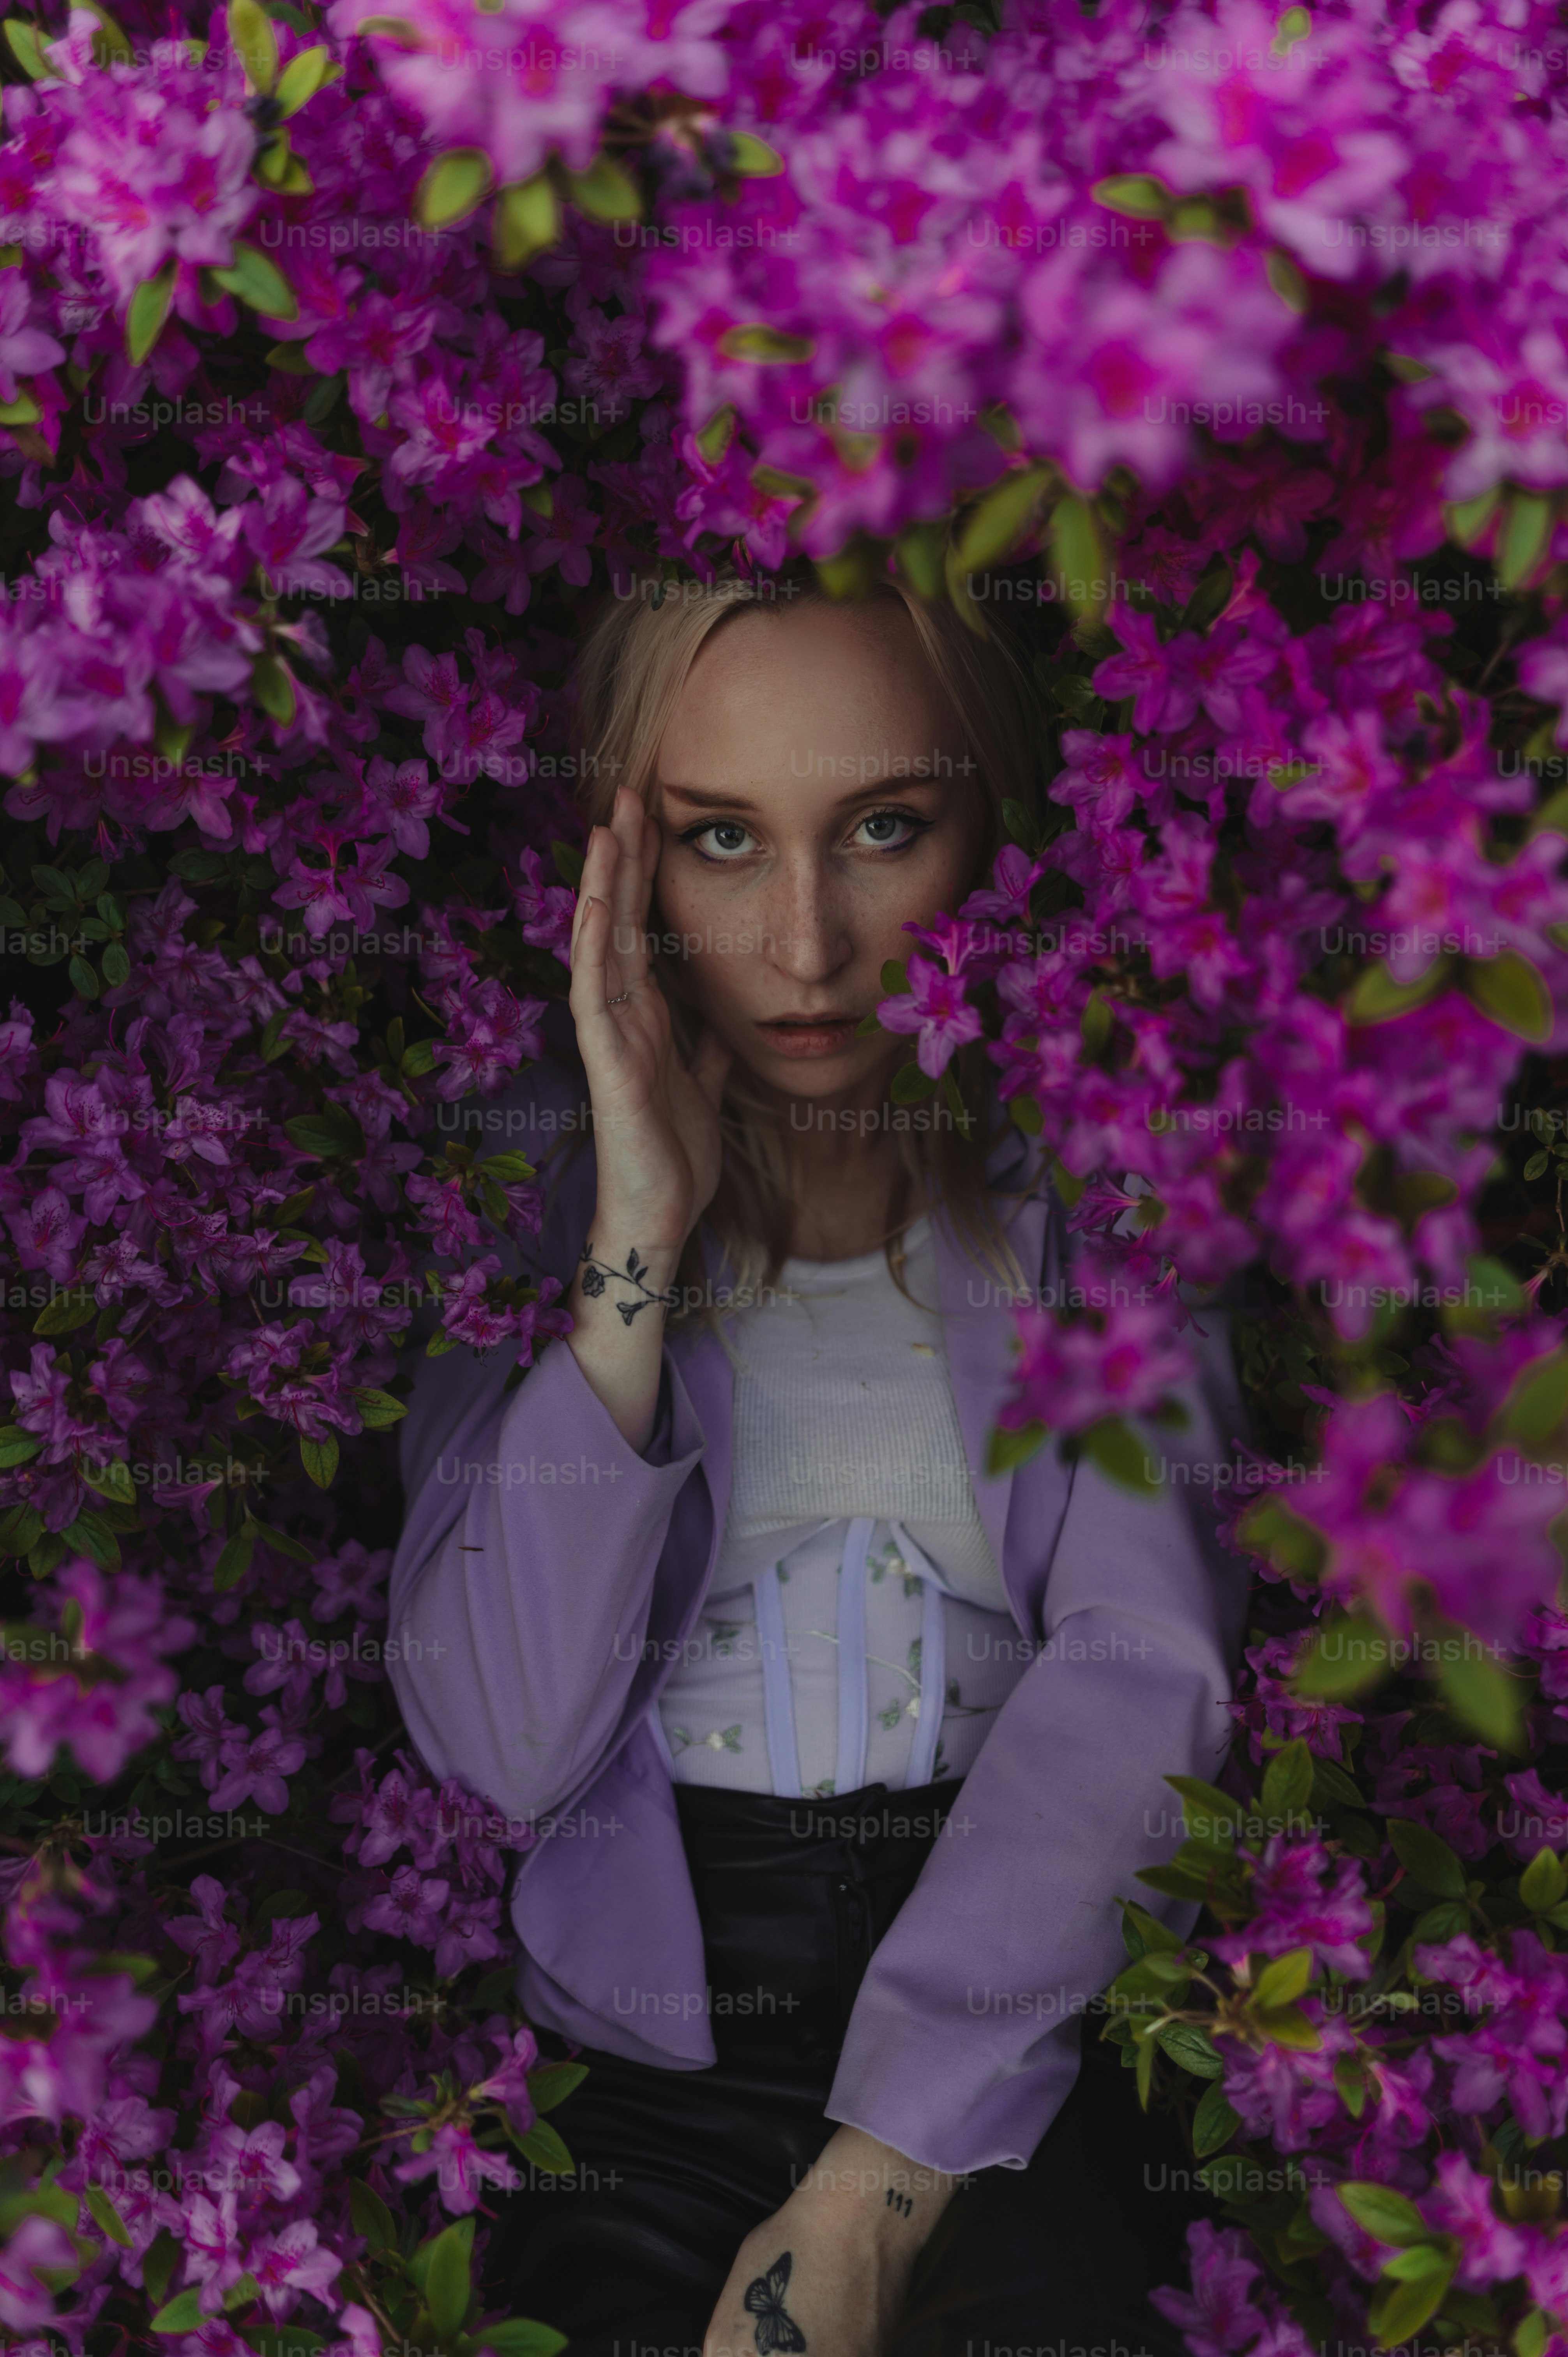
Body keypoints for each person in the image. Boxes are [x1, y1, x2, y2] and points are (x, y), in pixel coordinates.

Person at [387, 563, 1250, 2357]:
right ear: (623, 867)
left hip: (1025, 2001)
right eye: (717, 841)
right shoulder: (519, 1177)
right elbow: (507, 1738)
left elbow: (1140, 1673)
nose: (801, 941)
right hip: (647, 2044)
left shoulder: (1098, 1186)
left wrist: (867, 2189)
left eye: (880, 828)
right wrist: (634, 1235)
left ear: (994, 829)